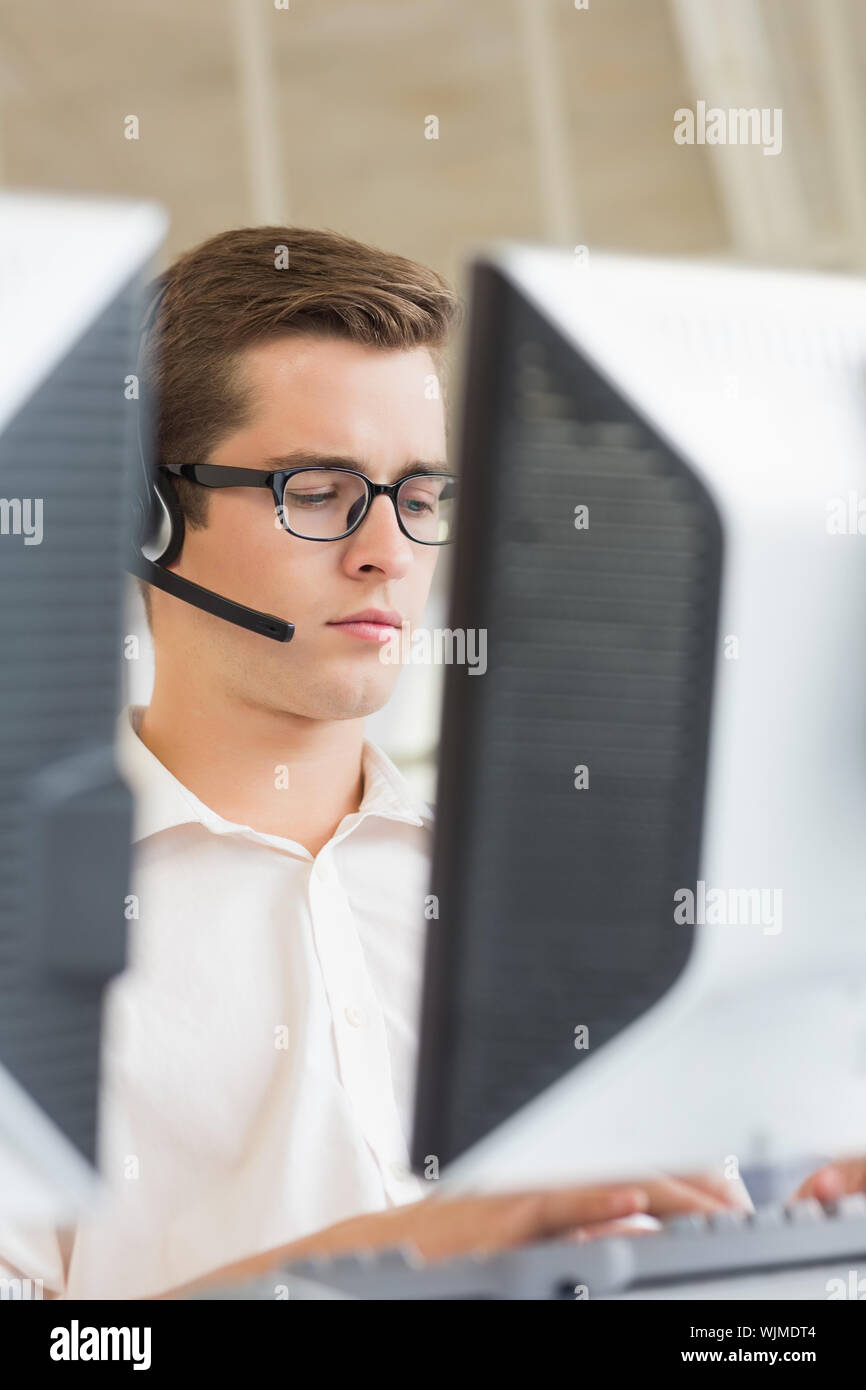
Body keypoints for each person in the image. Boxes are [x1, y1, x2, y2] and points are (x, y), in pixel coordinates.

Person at [1, 227, 853, 1299]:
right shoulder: (24, 924)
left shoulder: (555, 907)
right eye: (317, 491)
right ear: (148, 516)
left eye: (419, 496)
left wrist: (802, 1243)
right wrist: (421, 1250)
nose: (389, 553)